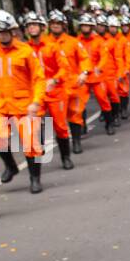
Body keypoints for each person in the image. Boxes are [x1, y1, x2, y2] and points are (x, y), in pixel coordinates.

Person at [0, 9, 47, 193]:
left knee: (31, 143)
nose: (1, 36)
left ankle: (35, 178)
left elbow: (39, 78)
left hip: (24, 104)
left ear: (13, 31)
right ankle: (10, 165)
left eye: (5, 32)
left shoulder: (25, 51)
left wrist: (36, 101)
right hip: (0, 104)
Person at [23, 11, 75, 172]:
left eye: (34, 25)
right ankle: (37, 158)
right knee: (33, 125)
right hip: (36, 94)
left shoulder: (52, 47)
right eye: (29, 25)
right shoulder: (24, 49)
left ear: (42, 27)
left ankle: (66, 157)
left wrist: (54, 79)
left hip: (55, 92)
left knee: (60, 126)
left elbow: (64, 68)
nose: (32, 28)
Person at [46, 9, 94, 155]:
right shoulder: (44, 43)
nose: (55, 25)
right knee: (57, 120)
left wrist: (84, 73)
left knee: (75, 114)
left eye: (58, 23)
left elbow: (85, 59)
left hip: (73, 84)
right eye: (53, 23)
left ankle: (77, 141)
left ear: (64, 25)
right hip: (54, 87)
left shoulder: (73, 42)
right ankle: (62, 143)